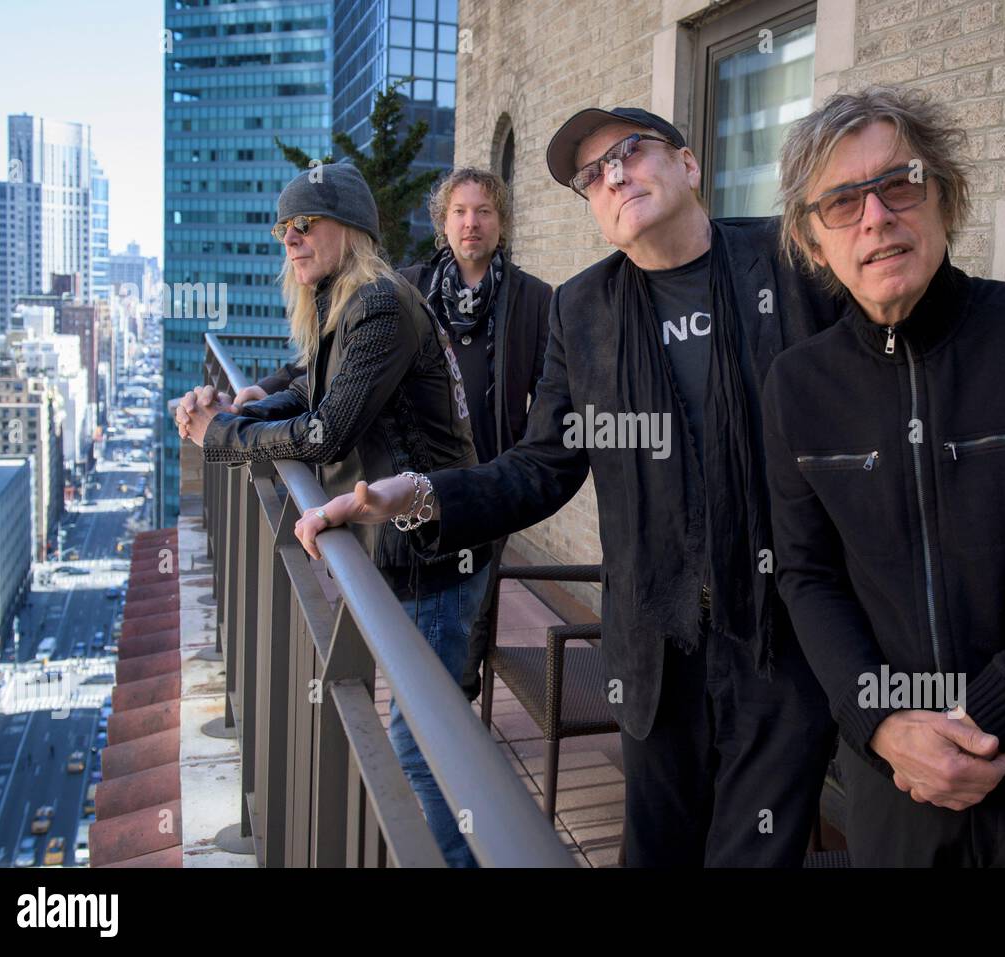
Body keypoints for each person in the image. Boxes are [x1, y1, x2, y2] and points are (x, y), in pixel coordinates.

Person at [294, 107, 837, 867]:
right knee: (655, 851)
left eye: (630, 152)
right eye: (593, 174)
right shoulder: (585, 309)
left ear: (688, 165)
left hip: (782, 643)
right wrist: (418, 494)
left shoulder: (793, 265)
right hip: (655, 646)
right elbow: (541, 465)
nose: (612, 174)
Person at [761, 86, 1005, 866]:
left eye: (899, 183)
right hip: (900, 793)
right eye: (842, 202)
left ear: (946, 196)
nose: (876, 216)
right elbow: (806, 576)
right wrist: (880, 725)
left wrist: (986, 714)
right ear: (813, 243)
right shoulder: (796, 387)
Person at [175, 162, 488, 868]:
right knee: (424, 733)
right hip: (408, 544)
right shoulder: (343, 302)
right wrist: (240, 409)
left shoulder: (376, 302)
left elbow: (326, 435)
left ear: (349, 227)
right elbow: (313, 398)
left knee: (421, 742)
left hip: (433, 548)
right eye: (281, 227)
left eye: (304, 224)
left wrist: (219, 438)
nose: (290, 239)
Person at [400, 168, 551, 701]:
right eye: (460, 212)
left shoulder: (534, 300)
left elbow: (552, 393)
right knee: (417, 596)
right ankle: (417, 703)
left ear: (501, 223)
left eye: (484, 211)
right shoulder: (408, 289)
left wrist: (523, 460)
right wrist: (272, 390)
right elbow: (352, 357)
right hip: (414, 474)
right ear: (444, 222)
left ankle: (454, 710)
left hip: (488, 480)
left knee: (471, 605)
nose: (472, 223)